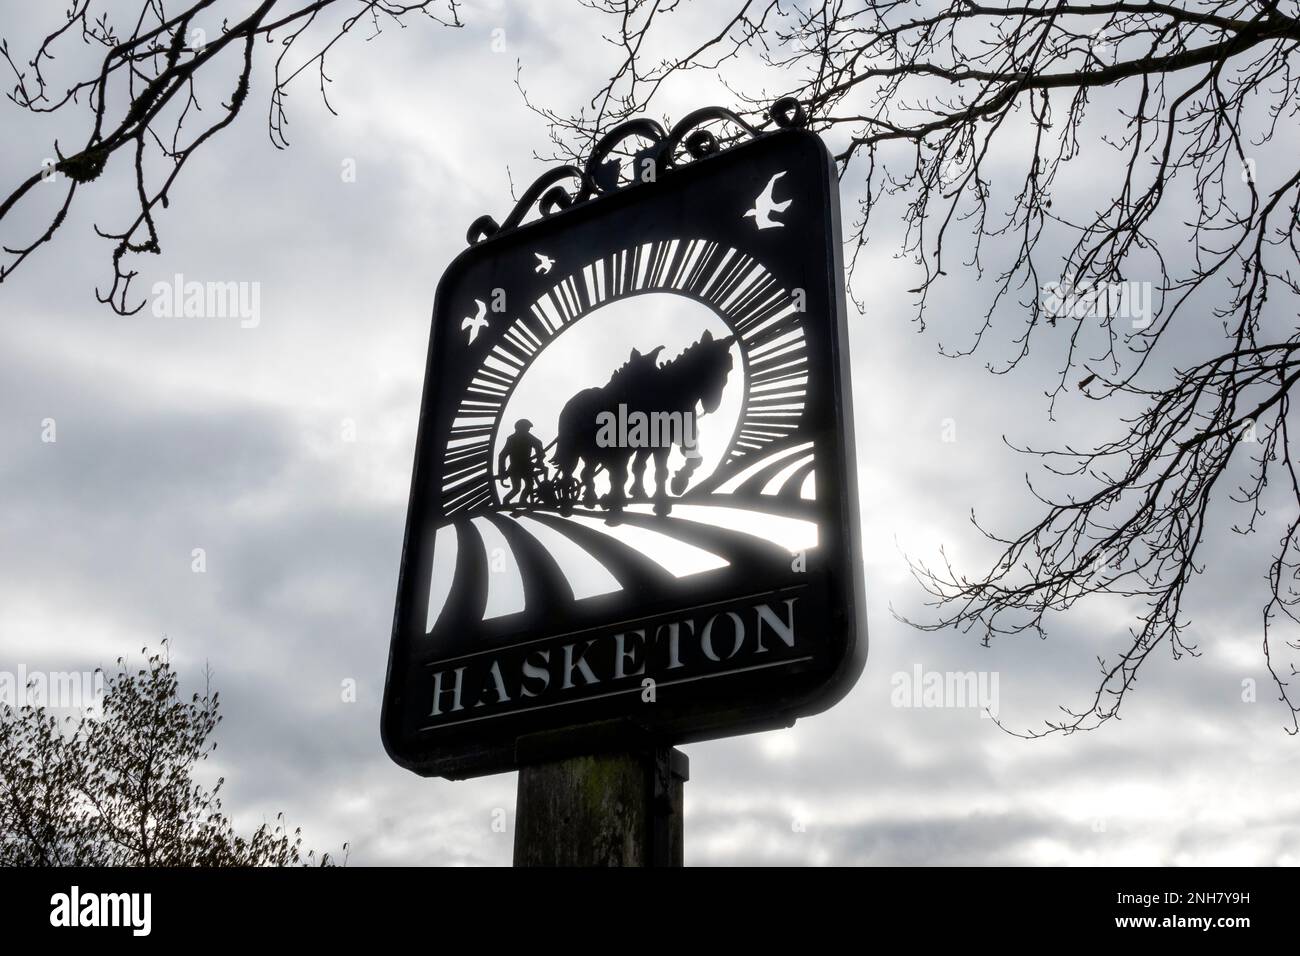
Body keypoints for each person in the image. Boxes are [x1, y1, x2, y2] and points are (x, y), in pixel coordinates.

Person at [497, 419, 546, 508]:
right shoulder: (522, 438)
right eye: (527, 428)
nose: (528, 430)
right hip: (521, 468)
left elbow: (502, 455)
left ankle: (518, 500)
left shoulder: (513, 438)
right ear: (521, 428)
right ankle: (508, 501)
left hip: (520, 467)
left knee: (522, 487)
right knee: (519, 488)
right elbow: (502, 455)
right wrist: (539, 461)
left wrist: (502, 471)